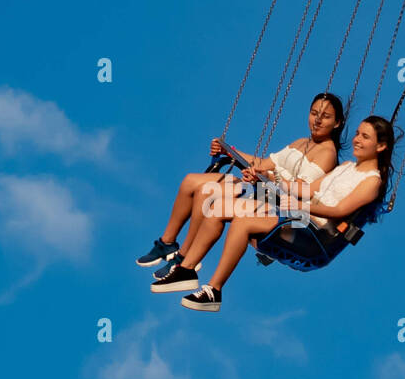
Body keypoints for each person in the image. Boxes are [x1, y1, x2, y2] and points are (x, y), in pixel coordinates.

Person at [151, 116, 396, 312]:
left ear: (381, 146)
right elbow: (309, 190)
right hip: (297, 216)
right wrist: (274, 181)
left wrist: (302, 206)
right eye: (357, 134)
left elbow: (339, 211)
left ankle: (214, 290)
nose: (357, 140)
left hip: (314, 234)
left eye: (365, 137)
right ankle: (186, 269)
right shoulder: (345, 167)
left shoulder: (372, 181)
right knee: (219, 207)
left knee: (244, 221)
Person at [134, 93, 345, 270]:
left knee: (208, 192)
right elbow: (263, 163)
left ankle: (184, 256)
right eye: (314, 113)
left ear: (337, 123)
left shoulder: (327, 153)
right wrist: (229, 150)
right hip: (260, 187)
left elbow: (299, 190)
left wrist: (270, 178)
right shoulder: (301, 142)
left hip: (276, 205)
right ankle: (167, 243)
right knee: (191, 181)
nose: (317, 120)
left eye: (325, 117)